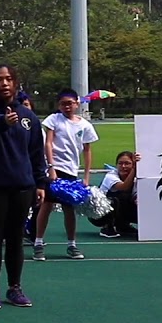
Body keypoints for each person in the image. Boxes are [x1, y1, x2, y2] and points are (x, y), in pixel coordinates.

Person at [0, 64, 47, 309]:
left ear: (16, 82)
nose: (4, 83)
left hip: (22, 187)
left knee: (16, 239)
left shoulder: (29, 118)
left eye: (8, 79)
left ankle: (15, 288)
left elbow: (37, 153)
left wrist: (40, 183)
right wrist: (4, 121)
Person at [34, 88, 98, 261]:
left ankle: (72, 244)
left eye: (70, 103)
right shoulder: (54, 119)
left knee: (69, 208)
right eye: (63, 104)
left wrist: (86, 176)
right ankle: (38, 243)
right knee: (46, 205)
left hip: (71, 170)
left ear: (77, 103)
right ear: (58, 105)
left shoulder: (84, 125)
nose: (67, 107)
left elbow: (87, 150)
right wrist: (51, 166)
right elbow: (48, 143)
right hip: (54, 169)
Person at [96, 151, 140, 239]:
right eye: (120, 163)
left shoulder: (137, 179)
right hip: (98, 214)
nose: (123, 166)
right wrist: (135, 169)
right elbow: (124, 187)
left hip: (120, 209)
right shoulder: (110, 176)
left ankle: (123, 225)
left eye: (127, 163)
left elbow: (135, 196)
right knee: (117, 198)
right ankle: (107, 227)